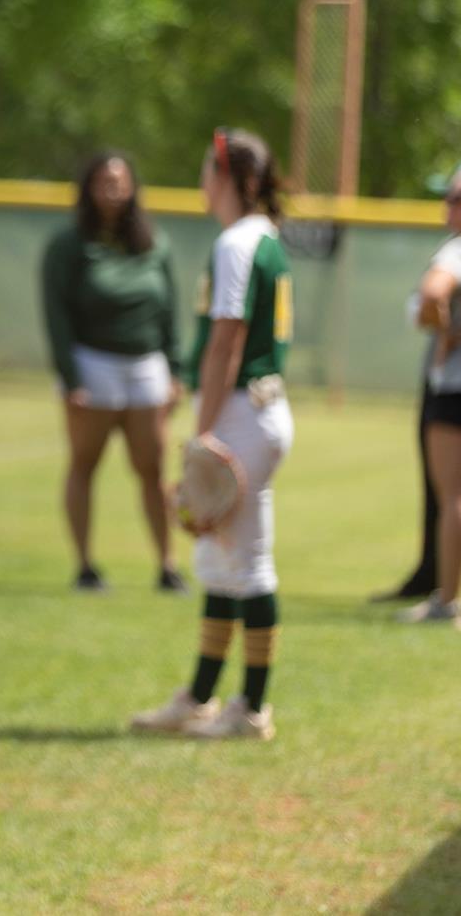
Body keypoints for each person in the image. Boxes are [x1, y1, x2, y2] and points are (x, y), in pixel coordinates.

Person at [130, 128, 293, 742]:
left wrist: (201, 434)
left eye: (209, 169)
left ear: (233, 179)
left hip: (240, 412)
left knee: (246, 563)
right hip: (256, 407)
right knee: (220, 561)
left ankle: (249, 708)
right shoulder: (262, 239)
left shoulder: (237, 242)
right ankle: (201, 696)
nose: (203, 180)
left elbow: (227, 340)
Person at [40, 152, 184, 592]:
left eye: (120, 181)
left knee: (152, 467)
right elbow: (56, 315)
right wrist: (71, 377)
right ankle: (85, 565)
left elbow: (169, 310)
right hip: (93, 363)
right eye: (104, 181)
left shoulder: (153, 243)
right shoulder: (69, 246)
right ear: (88, 188)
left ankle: (167, 565)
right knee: (85, 463)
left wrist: (176, 371)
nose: (113, 189)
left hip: (145, 365)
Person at [375, 158, 461, 605]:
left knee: (458, 496)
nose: (449, 207)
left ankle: (448, 602)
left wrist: (441, 328)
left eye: (459, 198)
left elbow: (431, 293)